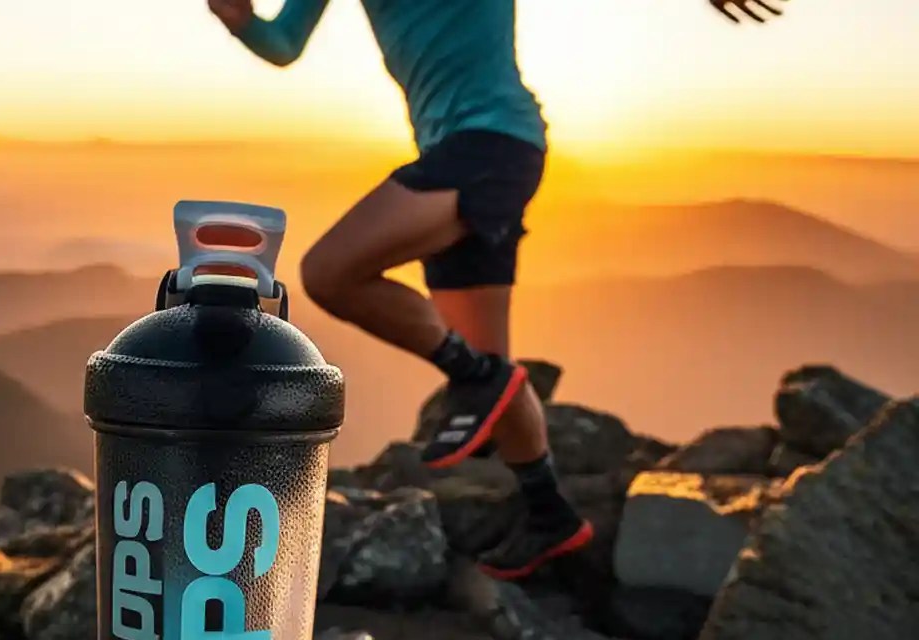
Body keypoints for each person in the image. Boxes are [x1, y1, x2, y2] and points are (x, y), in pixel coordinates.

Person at [207, 0, 786, 580]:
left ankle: (476, 376)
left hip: (488, 146)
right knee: (489, 363)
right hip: (471, 152)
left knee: (331, 272)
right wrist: (238, 21)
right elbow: (283, 44)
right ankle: (548, 513)